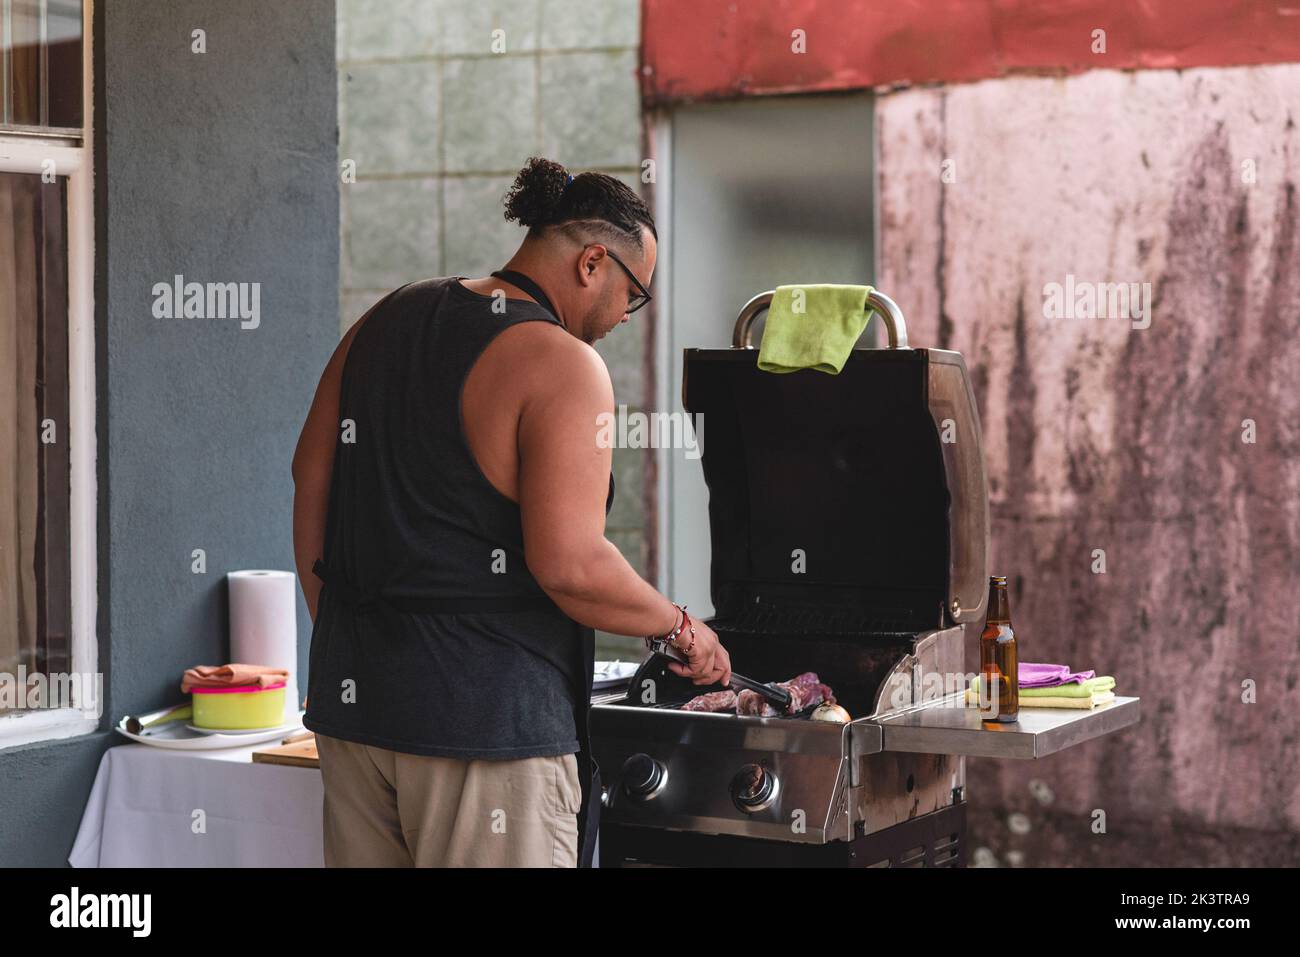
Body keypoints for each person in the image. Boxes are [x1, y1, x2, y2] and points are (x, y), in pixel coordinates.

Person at [291, 156, 732, 867]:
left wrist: (348, 635)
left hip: (356, 717)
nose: (625, 316)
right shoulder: (562, 364)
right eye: (634, 294)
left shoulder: (382, 320)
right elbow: (571, 565)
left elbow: (309, 479)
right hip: (486, 736)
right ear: (593, 261)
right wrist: (681, 626)